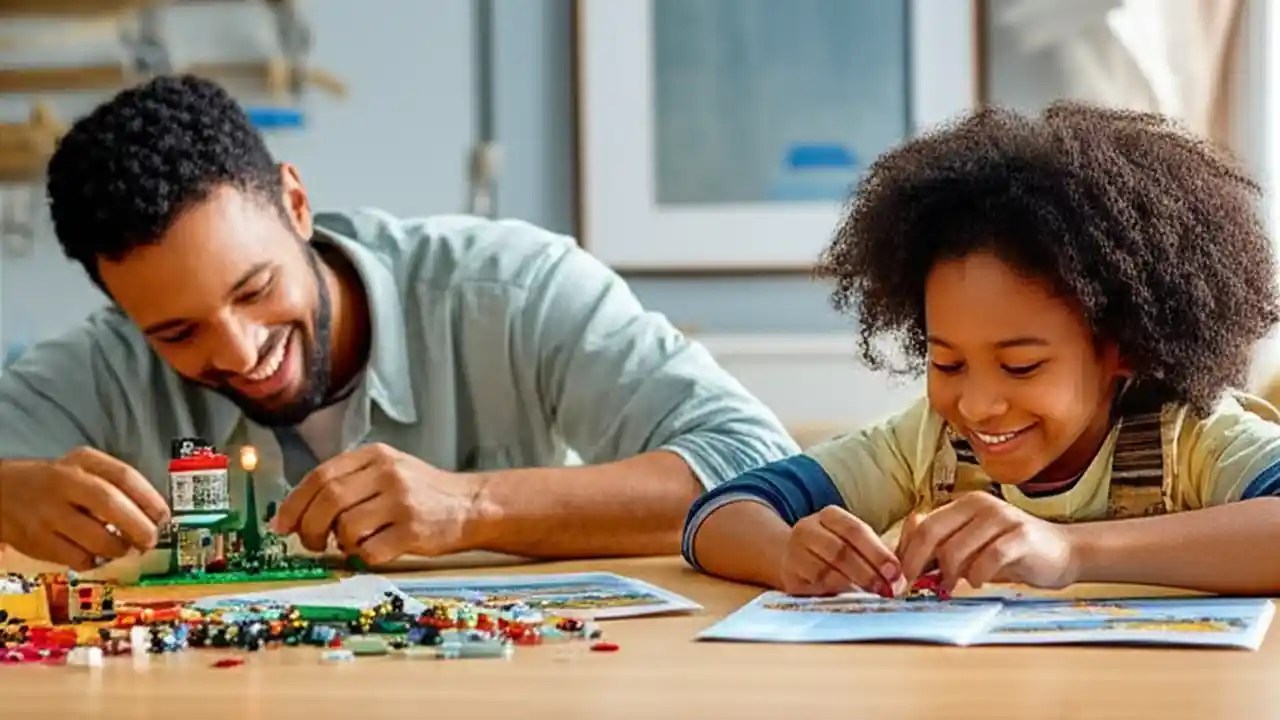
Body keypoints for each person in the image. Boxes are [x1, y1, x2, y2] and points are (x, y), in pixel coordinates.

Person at [0, 74, 797, 571]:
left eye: (255, 289)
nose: (238, 352)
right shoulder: (101, 365)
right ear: (122, 311)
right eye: (176, 333)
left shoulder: (511, 289)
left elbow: (762, 466)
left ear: (298, 205)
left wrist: (473, 506)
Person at [682, 102, 1280, 598]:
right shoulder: (921, 446)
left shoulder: (1193, 438)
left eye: (1021, 365)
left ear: (1120, 347)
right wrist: (787, 552)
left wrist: (1069, 551)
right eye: (947, 363)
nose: (978, 404)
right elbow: (720, 513)